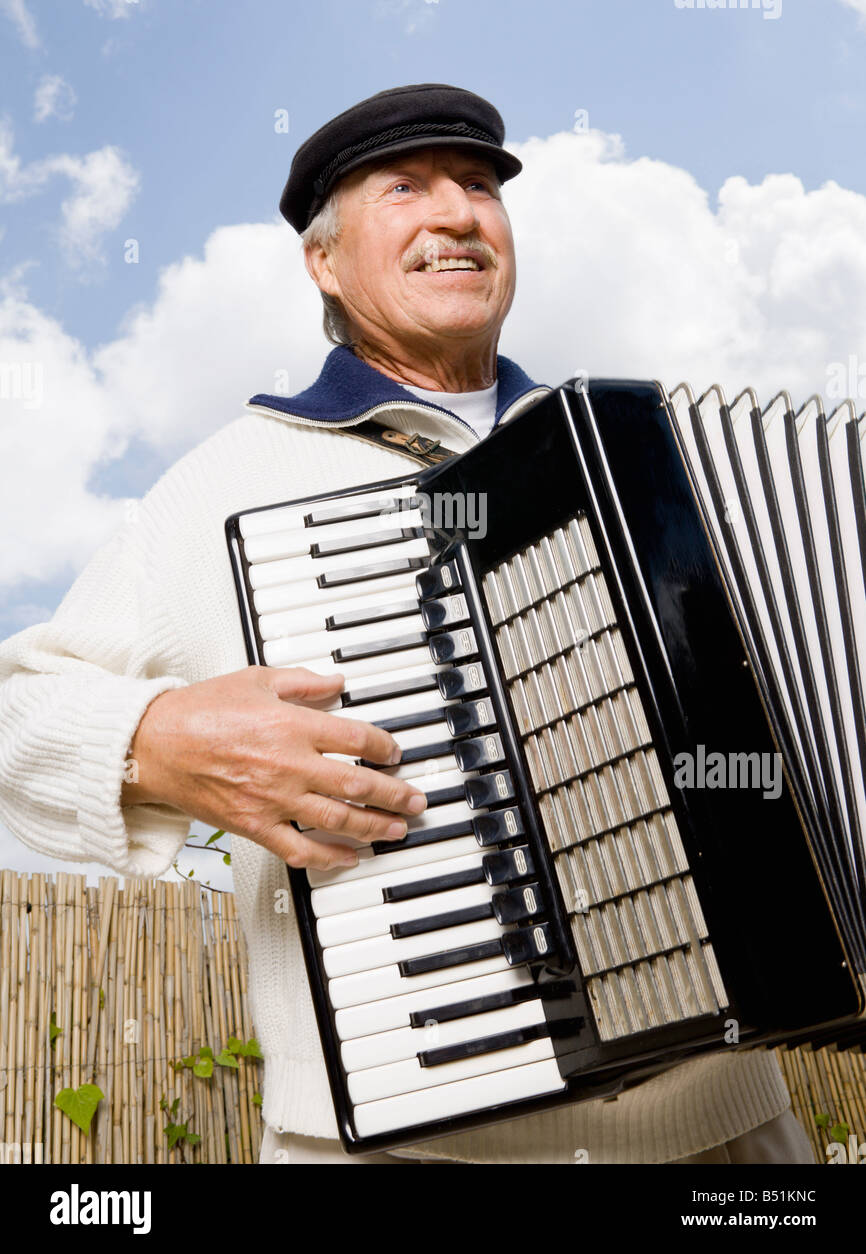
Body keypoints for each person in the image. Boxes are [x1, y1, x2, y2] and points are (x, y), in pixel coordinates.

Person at [0, 83, 814, 1164]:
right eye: (406, 188)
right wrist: (153, 742)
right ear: (323, 262)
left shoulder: (651, 457)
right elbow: (21, 708)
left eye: (478, 186)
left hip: (726, 1135)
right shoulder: (216, 486)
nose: (456, 214)